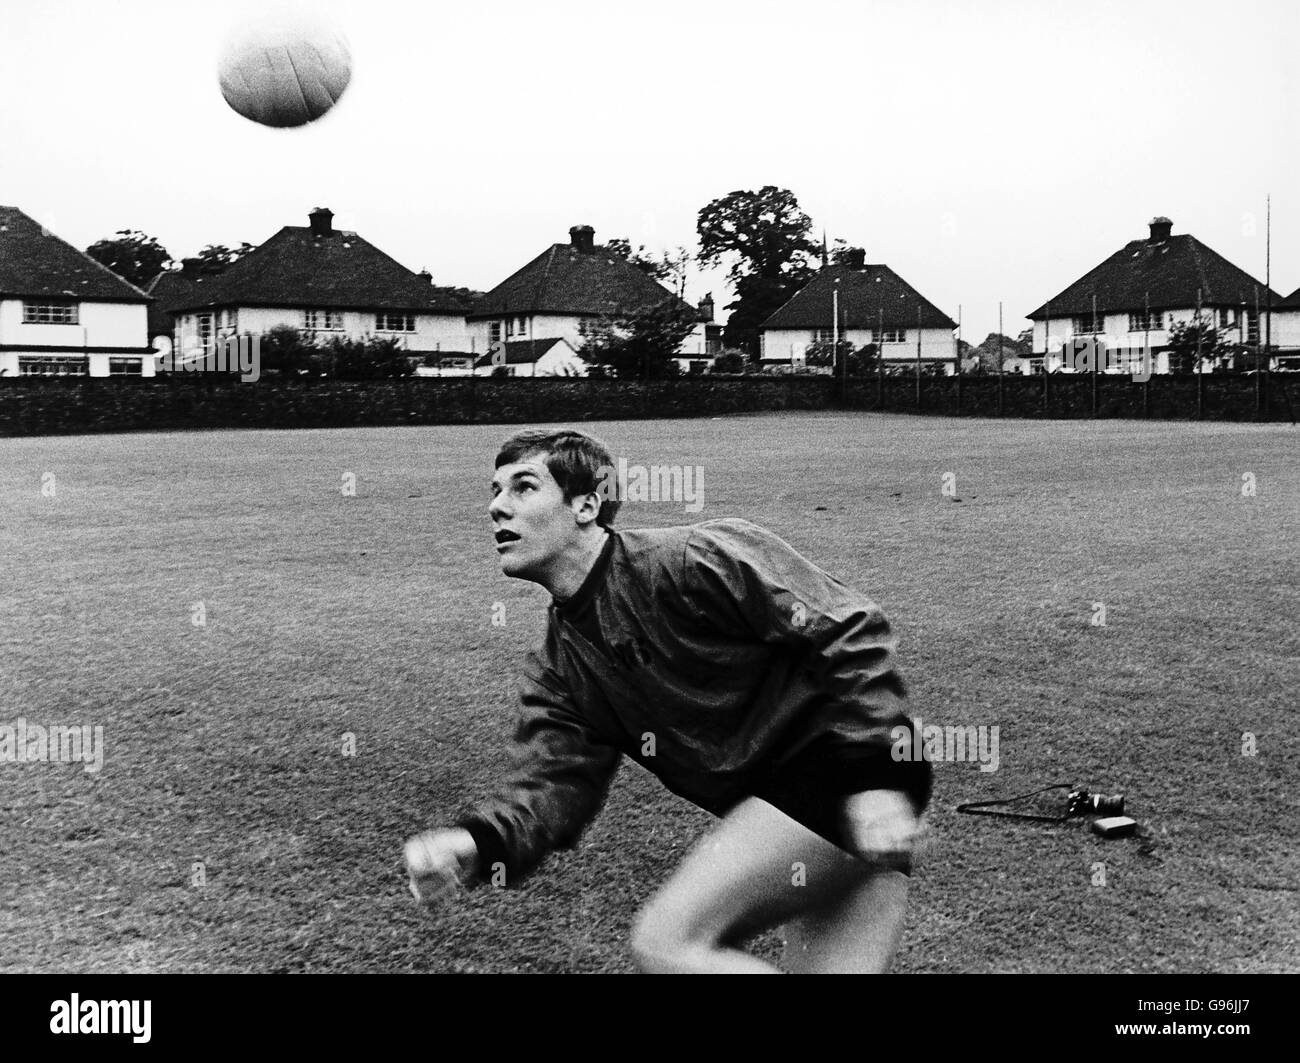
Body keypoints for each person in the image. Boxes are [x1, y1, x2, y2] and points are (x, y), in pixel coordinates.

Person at [404, 428, 931, 973]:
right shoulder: (559, 669)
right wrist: (476, 841)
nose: (497, 506)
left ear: (586, 504)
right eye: (494, 490)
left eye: (523, 487)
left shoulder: (691, 559)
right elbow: (555, 783)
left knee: (666, 942)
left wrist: (876, 779)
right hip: (811, 796)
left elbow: (845, 628)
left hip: (845, 767)